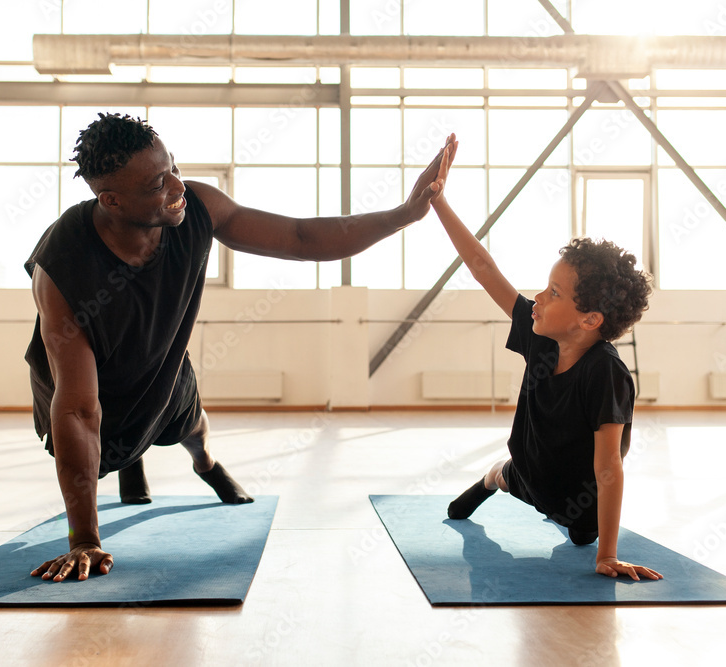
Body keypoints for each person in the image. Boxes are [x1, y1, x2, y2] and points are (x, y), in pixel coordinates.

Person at [25, 113, 449, 583]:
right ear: (112, 200)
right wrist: (84, 539)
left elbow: (299, 237)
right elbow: (81, 411)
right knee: (104, 444)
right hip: (85, 386)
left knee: (193, 429)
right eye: (158, 184)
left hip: (162, 361)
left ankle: (209, 466)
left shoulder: (198, 206)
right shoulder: (63, 267)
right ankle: (131, 462)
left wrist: (403, 214)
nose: (177, 187)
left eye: (175, 169)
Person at [433, 134, 661, 581]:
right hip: (528, 472)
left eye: (554, 293)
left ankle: (553, 511)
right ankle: (492, 476)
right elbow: (483, 267)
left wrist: (607, 555)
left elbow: (609, 466)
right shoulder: (540, 334)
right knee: (506, 476)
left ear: (590, 320)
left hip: (577, 498)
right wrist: (437, 201)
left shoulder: (606, 374)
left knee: (582, 537)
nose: (537, 297)